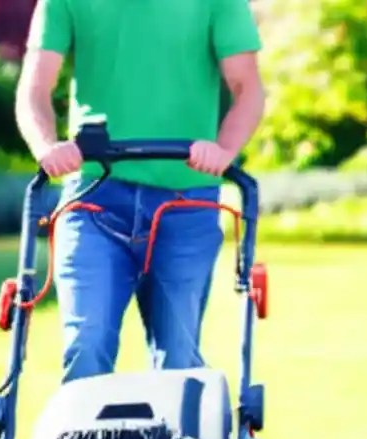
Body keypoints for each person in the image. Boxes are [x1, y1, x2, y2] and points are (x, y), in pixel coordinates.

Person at [15, 0, 265, 383]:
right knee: (86, 345)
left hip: (186, 202)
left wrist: (224, 151)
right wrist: (47, 148)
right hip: (93, 201)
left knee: (179, 360)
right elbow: (35, 88)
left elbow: (247, 89)